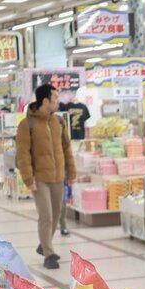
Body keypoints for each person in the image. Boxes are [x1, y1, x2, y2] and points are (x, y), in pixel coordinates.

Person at [16, 84, 76, 269]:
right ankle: (49, 254)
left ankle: (44, 244)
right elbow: (23, 154)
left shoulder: (59, 122)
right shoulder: (27, 125)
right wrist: (28, 179)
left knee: (56, 214)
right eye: (55, 98)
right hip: (40, 178)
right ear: (45, 101)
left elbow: (67, 149)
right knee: (46, 215)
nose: (58, 101)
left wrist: (72, 172)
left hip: (58, 177)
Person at [56, 93, 88, 237]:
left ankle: (62, 225)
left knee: (61, 199)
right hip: (45, 174)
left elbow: (68, 154)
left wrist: (71, 173)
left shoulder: (62, 128)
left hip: (60, 171)